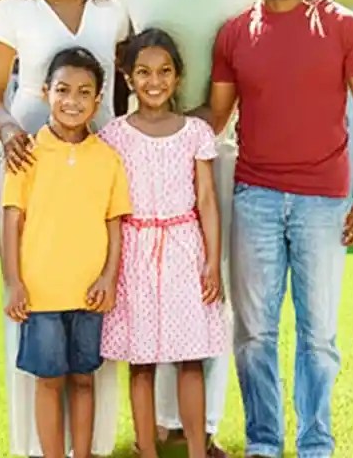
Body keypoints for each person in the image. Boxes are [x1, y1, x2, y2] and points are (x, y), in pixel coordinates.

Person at [208, 0, 353, 458]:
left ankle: (315, 444)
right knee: (254, 334)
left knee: (318, 337)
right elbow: (213, 120)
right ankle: (263, 443)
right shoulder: (234, 34)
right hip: (255, 198)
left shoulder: (343, 26)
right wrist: (144, 127)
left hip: (324, 203)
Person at [0, 0, 135, 457]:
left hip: (99, 160)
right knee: (34, 293)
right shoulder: (14, 6)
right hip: (29, 155)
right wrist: (6, 129)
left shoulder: (111, 7)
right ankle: (37, 446)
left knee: (96, 300)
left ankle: (91, 445)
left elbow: (127, 80)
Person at [116, 0, 260, 456]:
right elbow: (116, 59)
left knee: (205, 282)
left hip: (213, 148)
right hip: (145, 154)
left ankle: (204, 428)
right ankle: (165, 425)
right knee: (147, 286)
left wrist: (194, 131)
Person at [97, 28, 230, 458]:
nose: (154, 81)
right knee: (141, 361)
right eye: (143, 72)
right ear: (129, 78)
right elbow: (108, 206)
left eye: (164, 71)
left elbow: (207, 199)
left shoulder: (195, 132)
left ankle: (196, 448)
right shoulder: (114, 136)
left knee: (190, 358)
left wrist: (212, 261)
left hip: (183, 250)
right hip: (135, 252)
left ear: (177, 76)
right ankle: (146, 449)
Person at [1, 46, 130, 458]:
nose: (72, 101)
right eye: (63, 90)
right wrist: (14, 283)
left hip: (90, 294)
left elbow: (115, 223)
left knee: (84, 379)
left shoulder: (108, 158)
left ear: (98, 99)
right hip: (40, 295)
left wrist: (109, 278)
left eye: (83, 92)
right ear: (45, 92)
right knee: (49, 381)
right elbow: (11, 221)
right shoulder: (27, 154)